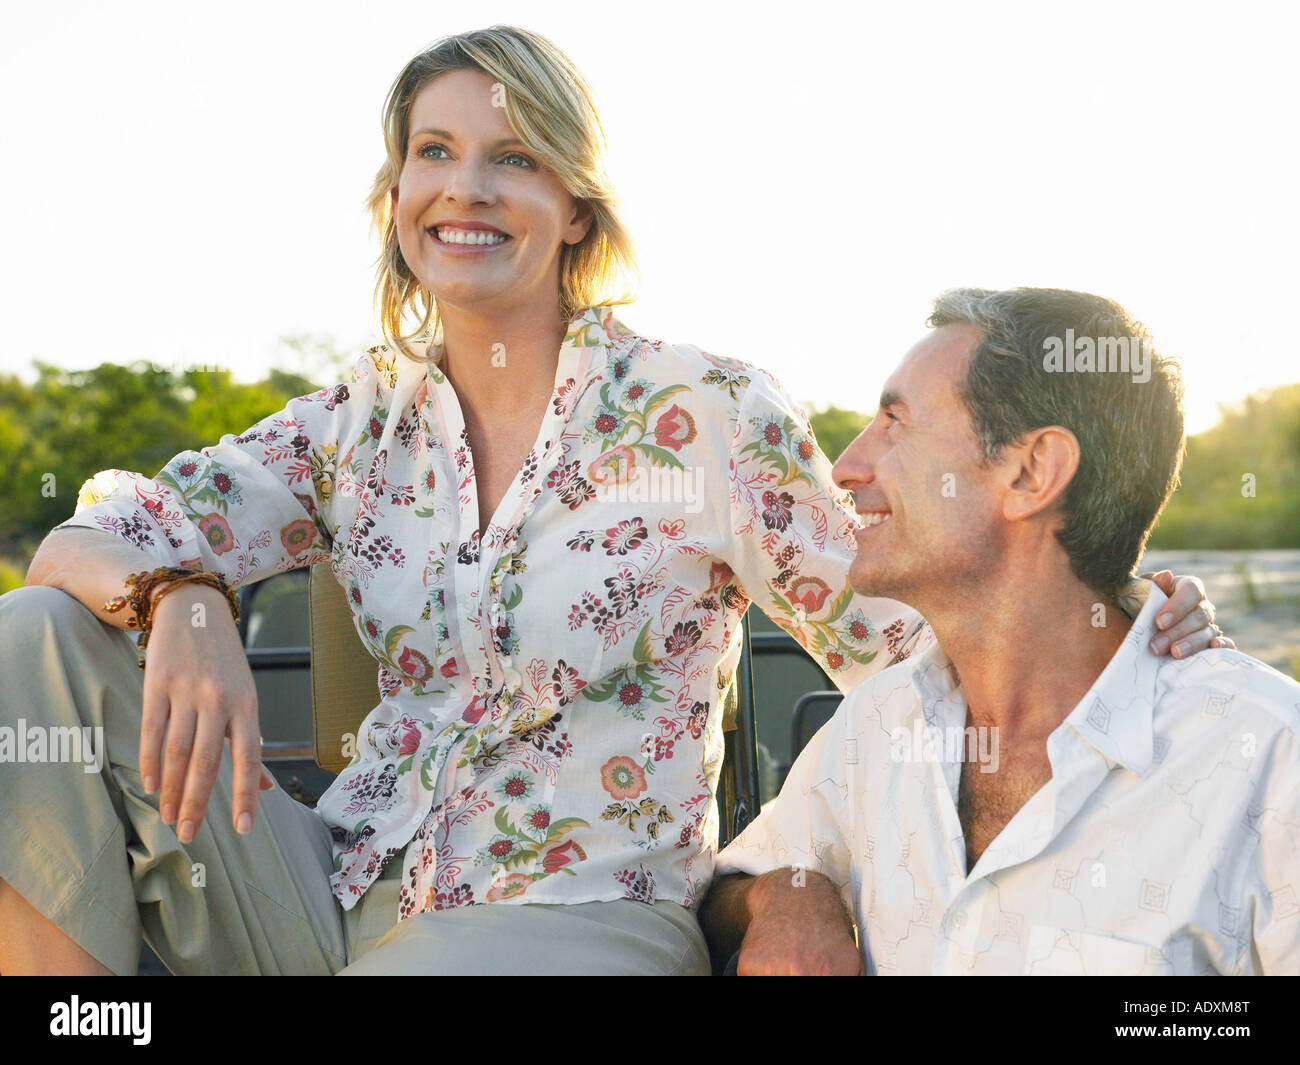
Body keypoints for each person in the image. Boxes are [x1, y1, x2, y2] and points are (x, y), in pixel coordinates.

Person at [0, 29, 1225, 976]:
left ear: (576, 205)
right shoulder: (350, 421)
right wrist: (182, 597)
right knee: (31, 644)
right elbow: (86, 534)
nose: (463, 188)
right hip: (332, 885)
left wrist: (1112, 620)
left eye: (512, 156)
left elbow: (905, 644)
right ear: (395, 194)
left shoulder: (703, 415)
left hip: (578, 907)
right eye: (434, 151)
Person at [700, 287, 1297, 976]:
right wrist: (785, 896)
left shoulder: (1269, 759)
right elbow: (725, 890)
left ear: (1032, 471)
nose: (847, 468)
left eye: (895, 421)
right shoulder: (878, 726)